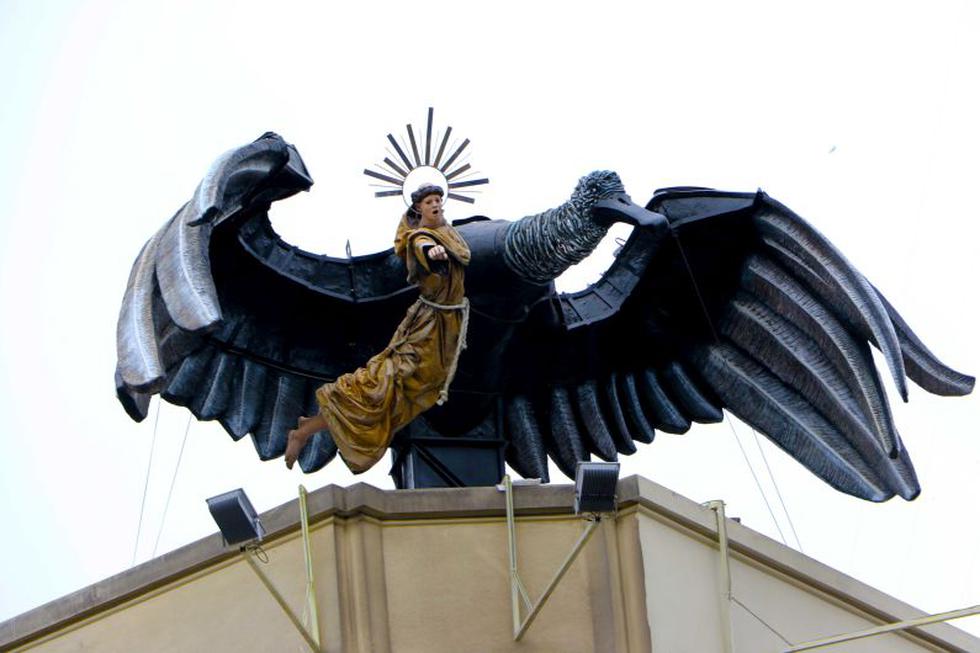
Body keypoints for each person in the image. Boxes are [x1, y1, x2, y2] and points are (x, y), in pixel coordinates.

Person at [284, 184, 471, 471]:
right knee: (384, 383)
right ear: (418, 208)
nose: (436, 204)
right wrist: (432, 253)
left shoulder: (451, 234)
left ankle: (310, 426)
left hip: (449, 325)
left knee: (419, 390)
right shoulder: (420, 237)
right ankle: (311, 424)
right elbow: (421, 247)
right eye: (429, 201)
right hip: (429, 323)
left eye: (438, 200)